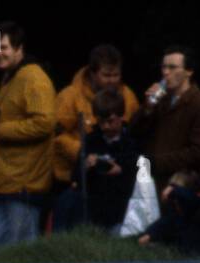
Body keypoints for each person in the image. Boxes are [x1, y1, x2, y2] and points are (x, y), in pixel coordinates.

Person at [51, 43, 141, 233]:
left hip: (116, 184)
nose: (112, 80)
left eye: (116, 75)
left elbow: (133, 135)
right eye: (106, 75)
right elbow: (57, 134)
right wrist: (85, 154)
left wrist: (118, 162)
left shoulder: (128, 96)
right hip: (75, 180)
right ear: (92, 73)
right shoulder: (70, 96)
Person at [0, 21, 54, 246]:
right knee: (2, 257)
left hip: (22, 184)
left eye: (3, 47)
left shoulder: (33, 78)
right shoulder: (10, 76)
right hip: (2, 181)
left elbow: (44, 123)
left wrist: (0, 130)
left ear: (19, 48)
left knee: (20, 257)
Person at [131, 45, 200, 199]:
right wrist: (147, 109)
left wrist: (156, 162)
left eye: (172, 67)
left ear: (189, 71)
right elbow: (134, 132)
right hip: (151, 183)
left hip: (181, 184)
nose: (166, 72)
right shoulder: (159, 101)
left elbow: (199, 152)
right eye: (164, 67)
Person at [75, 88, 138, 229]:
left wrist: (121, 168)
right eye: (101, 122)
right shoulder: (91, 141)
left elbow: (138, 172)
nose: (105, 127)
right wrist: (86, 166)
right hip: (94, 212)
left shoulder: (131, 142)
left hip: (123, 212)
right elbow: (76, 177)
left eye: (110, 121)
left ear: (121, 116)